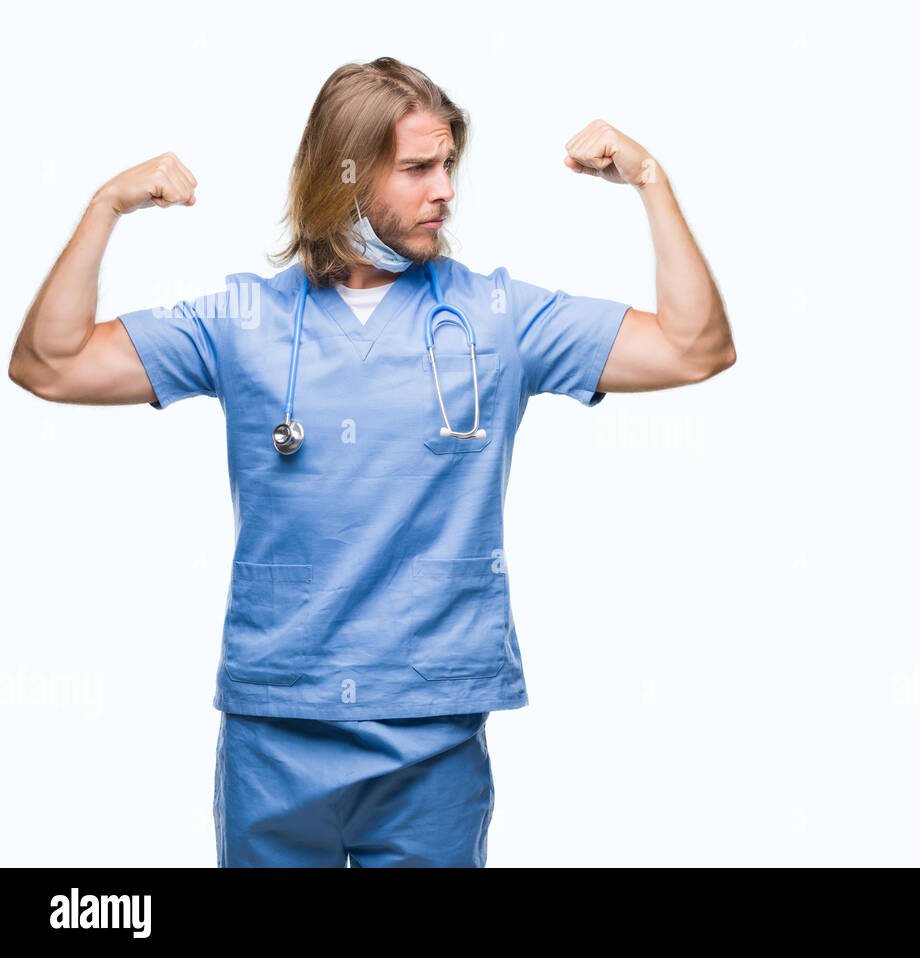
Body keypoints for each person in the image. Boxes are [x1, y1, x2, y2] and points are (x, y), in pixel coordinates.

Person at [7, 57, 736, 867]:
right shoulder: (243, 321)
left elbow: (691, 347)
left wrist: (652, 182)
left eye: (450, 163)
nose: (446, 189)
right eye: (419, 167)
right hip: (278, 728)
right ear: (342, 178)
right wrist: (105, 207)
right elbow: (51, 363)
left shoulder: (499, 318)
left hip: (431, 734)